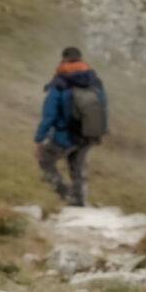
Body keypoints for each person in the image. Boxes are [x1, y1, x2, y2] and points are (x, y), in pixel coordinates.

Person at [35, 47, 108, 208]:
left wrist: (39, 139)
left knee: (45, 160)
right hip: (88, 135)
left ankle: (64, 192)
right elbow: (103, 108)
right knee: (78, 168)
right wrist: (100, 132)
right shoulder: (94, 82)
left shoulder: (60, 84)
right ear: (81, 60)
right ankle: (79, 201)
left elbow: (49, 116)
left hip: (65, 136)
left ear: (64, 60)